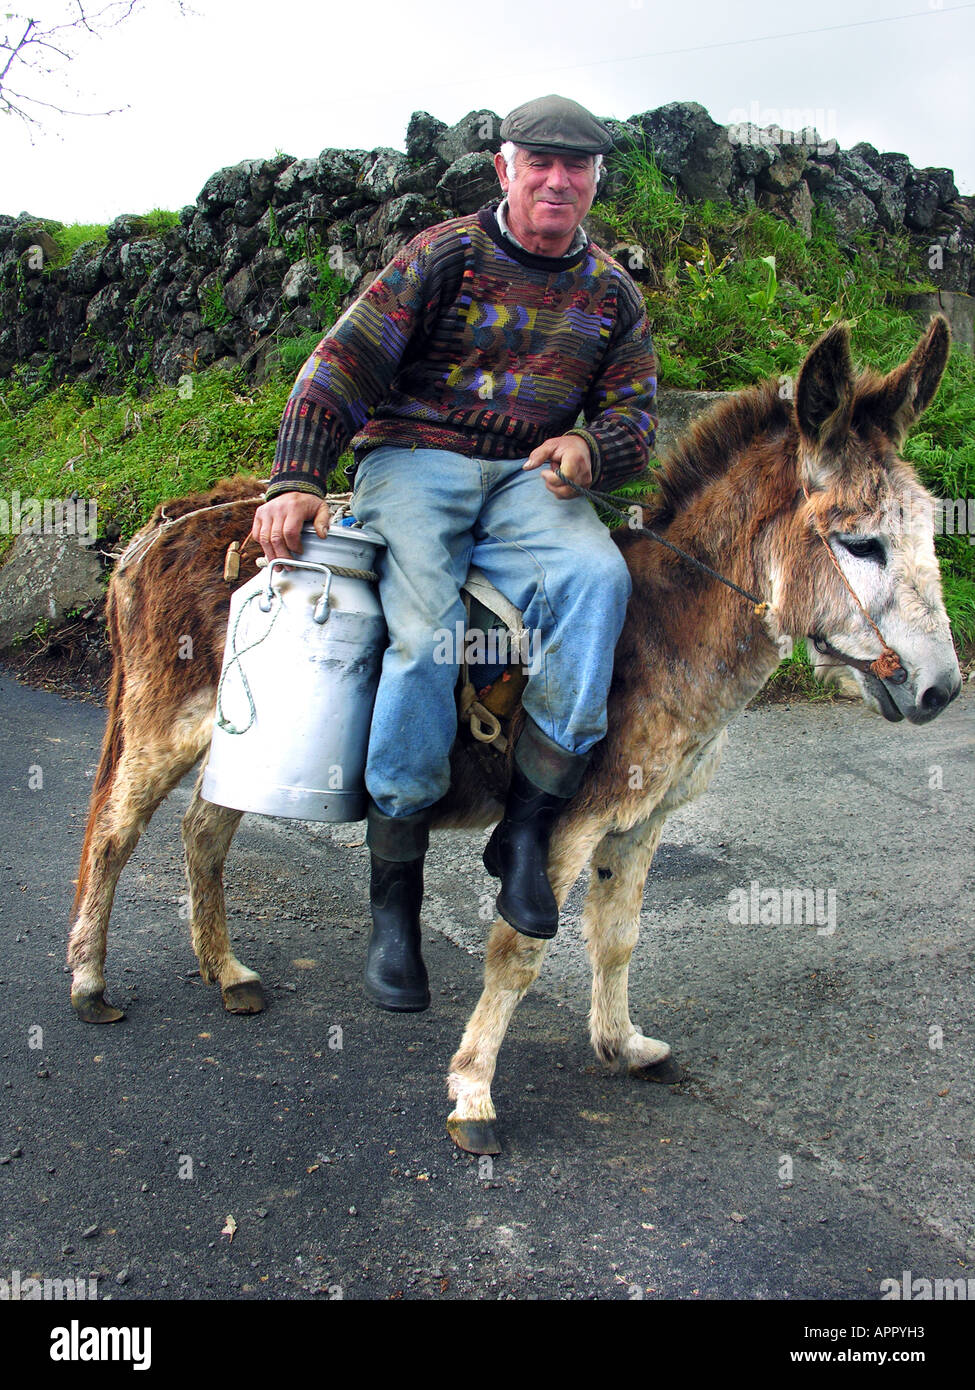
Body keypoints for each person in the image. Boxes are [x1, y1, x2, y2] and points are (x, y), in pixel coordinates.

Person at [251, 94, 658, 1012]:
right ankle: (394, 894)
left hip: (527, 479)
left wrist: (595, 451)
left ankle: (525, 827)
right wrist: (296, 479)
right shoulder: (444, 254)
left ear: (595, 180)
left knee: (598, 577)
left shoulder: (609, 294)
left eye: (577, 167)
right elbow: (342, 363)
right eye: (540, 163)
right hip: (416, 460)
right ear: (505, 169)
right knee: (426, 635)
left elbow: (635, 415)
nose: (558, 180)